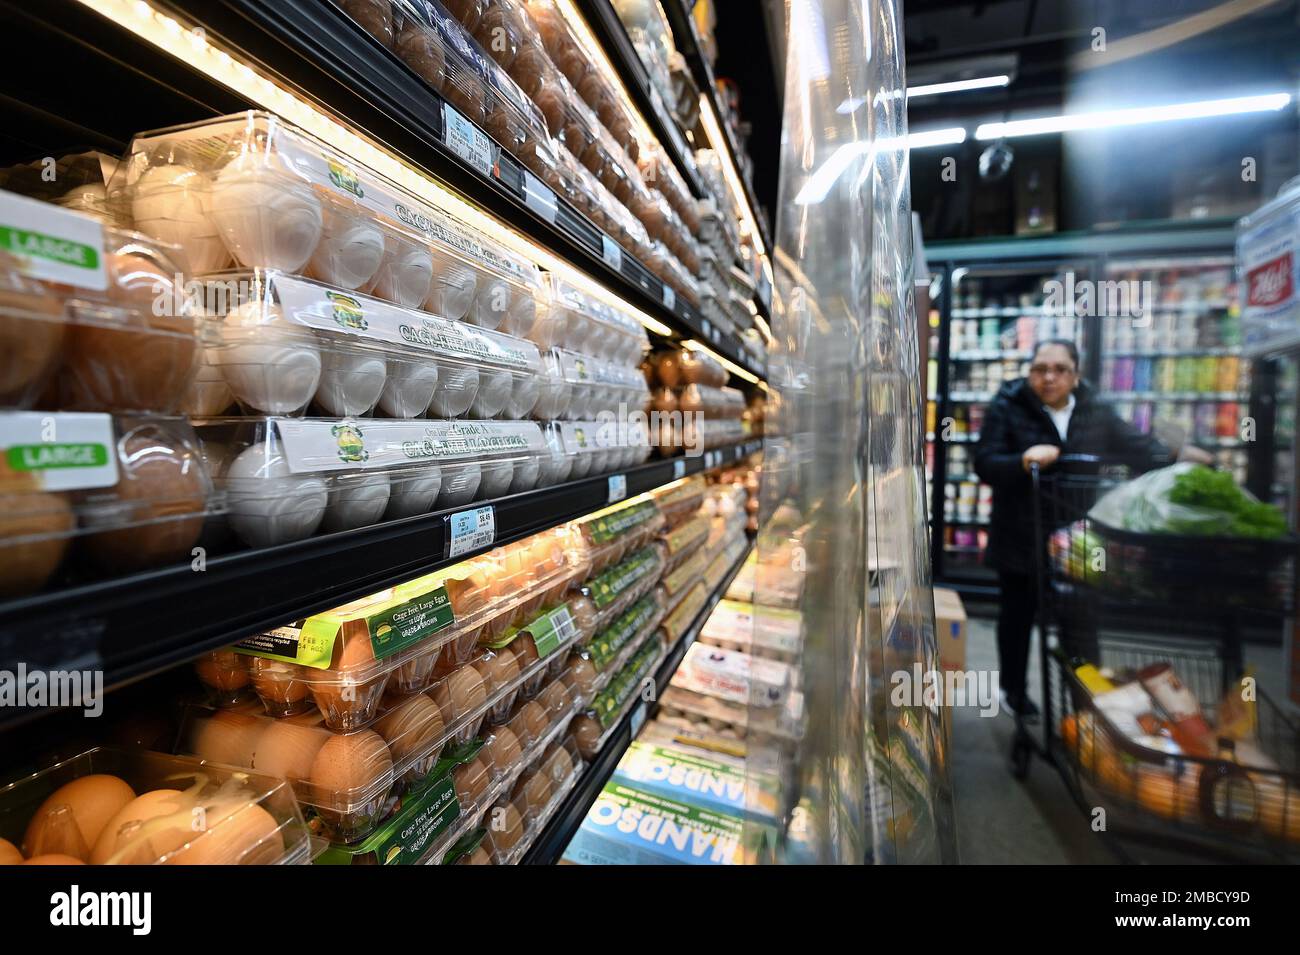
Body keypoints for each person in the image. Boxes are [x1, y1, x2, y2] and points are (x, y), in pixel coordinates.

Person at [973, 339, 1206, 719]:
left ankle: (1086, 701)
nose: (1049, 377)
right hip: (1020, 531)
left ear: (1076, 376)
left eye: (1060, 369)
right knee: (1017, 614)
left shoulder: (1095, 409)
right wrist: (1022, 460)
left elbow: (1136, 446)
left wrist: (1177, 456)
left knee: (1080, 619)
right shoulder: (1008, 404)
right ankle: (1013, 691)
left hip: (1078, 537)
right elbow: (984, 462)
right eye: (1040, 369)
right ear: (1029, 371)